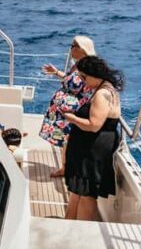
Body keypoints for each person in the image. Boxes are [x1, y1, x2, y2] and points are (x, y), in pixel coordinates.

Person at [62, 55, 123, 221]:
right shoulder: (106, 88)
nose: (83, 81)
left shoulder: (102, 93)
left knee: (87, 195)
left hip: (92, 150)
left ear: (94, 74)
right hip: (88, 147)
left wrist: (70, 117)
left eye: (84, 77)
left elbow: (94, 124)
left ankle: (82, 234)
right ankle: (69, 224)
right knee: (78, 192)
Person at [38, 35, 96, 177]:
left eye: (73, 46)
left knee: (69, 141)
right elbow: (71, 80)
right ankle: (65, 168)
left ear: (82, 49)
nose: (70, 49)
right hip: (64, 111)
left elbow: (89, 86)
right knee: (65, 141)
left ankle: (68, 169)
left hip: (73, 112)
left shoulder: (89, 67)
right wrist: (56, 72)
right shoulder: (77, 64)